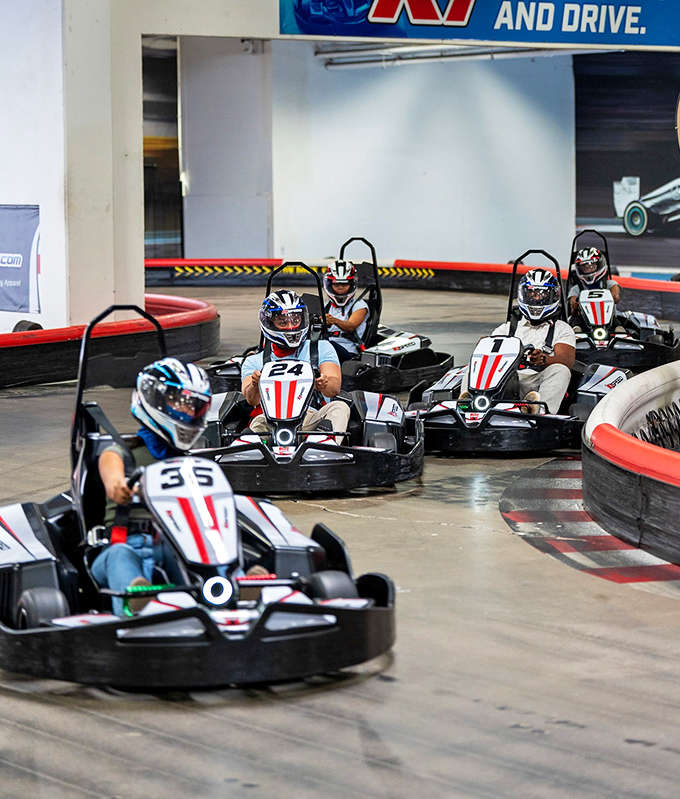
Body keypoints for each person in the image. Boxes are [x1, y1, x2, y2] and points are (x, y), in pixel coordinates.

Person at [91, 357, 212, 615]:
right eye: (179, 402)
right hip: (121, 546)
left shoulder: (192, 462)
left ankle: (232, 589)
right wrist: (122, 487)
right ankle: (137, 606)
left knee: (201, 554)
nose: (188, 412)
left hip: (175, 544)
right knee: (121, 556)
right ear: (153, 398)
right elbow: (113, 482)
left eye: (194, 406)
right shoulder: (118, 454)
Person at [460, 268, 576, 415]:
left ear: (553, 296)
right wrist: (483, 345)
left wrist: (544, 359)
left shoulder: (562, 329)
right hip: (506, 380)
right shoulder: (508, 328)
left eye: (542, 294)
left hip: (535, 381)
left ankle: (538, 411)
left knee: (561, 370)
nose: (536, 298)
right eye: (531, 294)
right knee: (473, 365)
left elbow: (567, 360)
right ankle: (467, 403)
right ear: (523, 294)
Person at [241, 289, 351, 438]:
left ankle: (322, 447)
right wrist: (255, 384)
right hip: (271, 421)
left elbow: (334, 389)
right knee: (258, 422)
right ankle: (252, 452)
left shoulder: (320, 348)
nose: (291, 326)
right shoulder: (254, 361)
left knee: (339, 408)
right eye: (282, 321)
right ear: (269, 322)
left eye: (295, 320)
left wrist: (324, 383)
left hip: (311, 417)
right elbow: (251, 399)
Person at [323, 260, 369, 364]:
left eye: (345, 284)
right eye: (336, 284)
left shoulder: (359, 305)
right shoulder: (324, 306)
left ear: (351, 284)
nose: (340, 287)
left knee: (327, 346)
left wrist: (334, 321)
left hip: (348, 352)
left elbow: (351, 326)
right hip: (325, 347)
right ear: (329, 284)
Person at [568, 247, 621, 325]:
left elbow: (616, 298)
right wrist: (574, 304)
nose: (588, 270)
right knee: (576, 328)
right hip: (583, 321)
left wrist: (614, 296)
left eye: (591, 267)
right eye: (584, 268)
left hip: (609, 319)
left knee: (619, 329)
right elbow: (572, 307)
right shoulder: (577, 288)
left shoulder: (609, 284)